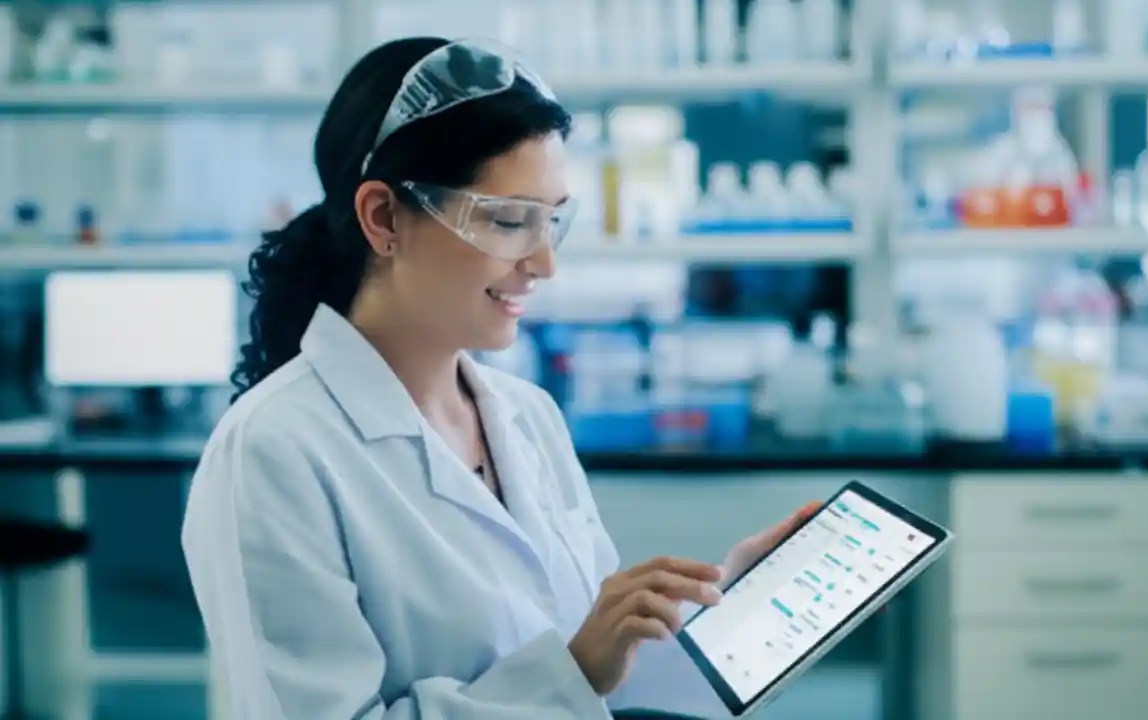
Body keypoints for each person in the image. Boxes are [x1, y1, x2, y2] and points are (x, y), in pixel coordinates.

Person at [181, 37, 817, 720]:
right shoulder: (274, 451)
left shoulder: (526, 415)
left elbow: (606, 686)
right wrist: (568, 674)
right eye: (510, 221)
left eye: (551, 222)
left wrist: (732, 607)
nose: (543, 264)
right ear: (383, 217)